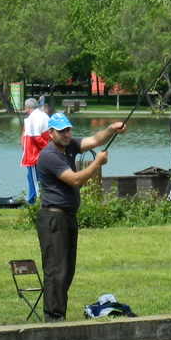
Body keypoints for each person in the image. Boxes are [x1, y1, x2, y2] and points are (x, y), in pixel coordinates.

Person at [34, 111, 126, 322]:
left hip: (67, 217)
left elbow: (93, 140)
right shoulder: (49, 156)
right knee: (56, 271)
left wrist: (111, 128)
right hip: (53, 219)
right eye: (61, 131)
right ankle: (54, 318)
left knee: (67, 270)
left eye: (68, 130)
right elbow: (75, 180)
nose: (66, 134)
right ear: (51, 133)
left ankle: (59, 314)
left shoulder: (69, 147)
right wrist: (97, 164)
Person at [20, 97, 50, 204]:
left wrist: (45, 146)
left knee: (35, 180)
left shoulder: (32, 119)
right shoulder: (44, 116)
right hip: (43, 155)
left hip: (34, 156)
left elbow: (36, 137)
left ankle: (38, 202)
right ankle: (32, 200)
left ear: (27, 108)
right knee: (36, 178)